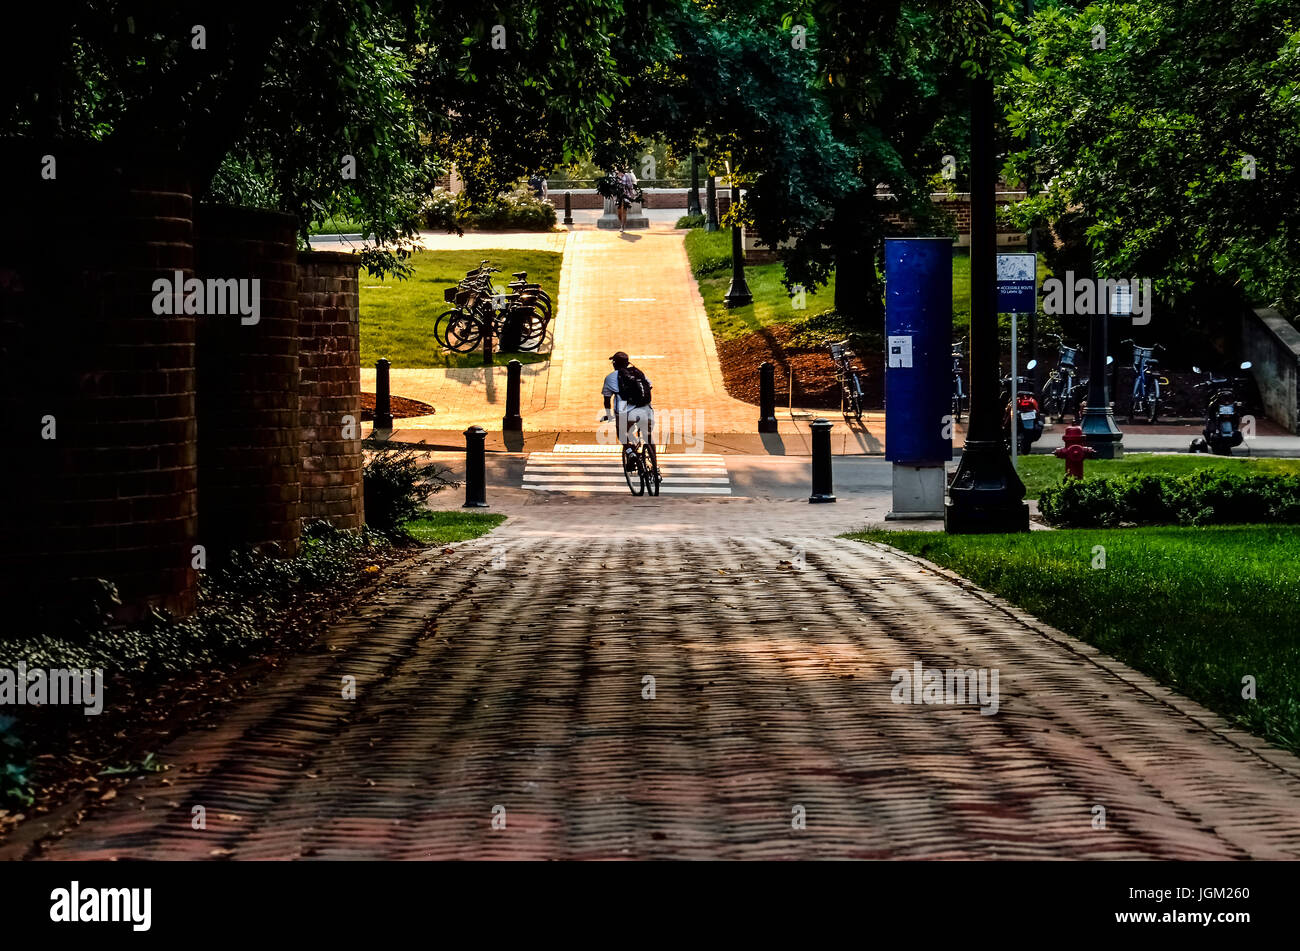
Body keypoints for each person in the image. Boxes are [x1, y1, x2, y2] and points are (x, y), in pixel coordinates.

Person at [600, 351, 657, 473]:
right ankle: (655, 469)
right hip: (645, 408)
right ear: (627, 363)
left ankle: (630, 453)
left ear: (614, 364)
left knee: (621, 434)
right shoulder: (638, 372)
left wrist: (609, 414)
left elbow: (606, 399)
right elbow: (649, 386)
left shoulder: (610, 378)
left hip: (625, 410)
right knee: (648, 437)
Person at [614, 167, 638, 233]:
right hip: (618, 195)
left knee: (624, 210)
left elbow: (630, 186)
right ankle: (622, 223)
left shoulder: (626, 176)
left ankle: (622, 226)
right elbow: (614, 186)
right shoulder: (616, 176)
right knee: (619, 211)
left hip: (626, 195)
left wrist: (632, 194)